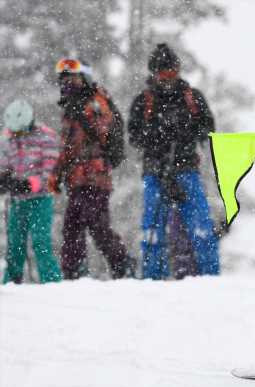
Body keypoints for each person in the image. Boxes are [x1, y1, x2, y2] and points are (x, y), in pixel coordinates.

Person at [128, 43, 219, 280]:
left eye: (172, 71)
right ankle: (152, 279)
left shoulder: (192, 97)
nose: (168, 78)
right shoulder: (143, 101)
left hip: (187, 168)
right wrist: (157, 135)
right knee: (152, 230)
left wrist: (185, 130)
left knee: (201, 226)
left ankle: (211, 277)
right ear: (153, 73)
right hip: (155, 172)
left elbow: (208, 129)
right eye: (162, 73)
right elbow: (134, 137)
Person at [49, 58, 136, 280]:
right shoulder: (70, 108)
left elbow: (103, 134)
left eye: (73, 79)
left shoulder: (97, 100)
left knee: (98, 227)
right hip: (76, 179)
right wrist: (56, 173)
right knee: (71, 229)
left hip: (95, 177)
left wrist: (85, 115)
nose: (68, 84)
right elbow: (69, 146)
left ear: (84, 78)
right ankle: (74, 273)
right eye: (65, 80)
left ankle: (122, 264)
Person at [0, 100, 62, 284]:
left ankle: (51, 281)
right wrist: (4, 179)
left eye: (19, 131)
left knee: (40, 242)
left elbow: (51, 175)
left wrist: (28, 184)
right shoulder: (8, 138)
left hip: (40, 200)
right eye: (14, 132)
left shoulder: (46, 139)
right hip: (18, 202)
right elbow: (4, 164)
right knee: (15, 244)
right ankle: (11, 282)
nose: (16, 135)